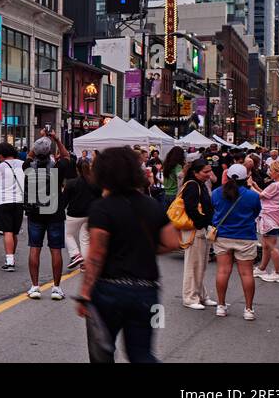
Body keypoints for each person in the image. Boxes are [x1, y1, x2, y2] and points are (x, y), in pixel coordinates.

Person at [77, 146, 180, 363]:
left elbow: (96, 254)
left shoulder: (101, 208)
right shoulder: (153, 206)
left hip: (109, 290)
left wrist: (85, 293)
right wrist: (143, 246)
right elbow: (173, 242)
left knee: (102, 354)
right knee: (142, 353)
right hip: (149, 292)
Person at [210, 163, 262, 320]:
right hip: (245, 236)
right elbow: (256, 212)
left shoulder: (216, 193)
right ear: (245, 178)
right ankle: (248, 309)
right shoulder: (252, 196)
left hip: (223, 236)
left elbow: (214, 209)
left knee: (222, 271)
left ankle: (220, 306)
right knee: (246, 273)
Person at [25, 136, 74, 300]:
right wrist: (57, 140)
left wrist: (38, 143)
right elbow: (66, 156)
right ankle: (56, 288)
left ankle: (35, 287)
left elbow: (30, 156)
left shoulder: (28, 167)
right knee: (55, 250)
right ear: (51, 152)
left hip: (35, 212)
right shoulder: (58, 167)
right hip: (55, 212)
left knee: (34, 248)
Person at [177, 158, 217, 309]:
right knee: (194, 265)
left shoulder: (198, 184)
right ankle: (190, 297)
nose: (208, 174)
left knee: (200, 265)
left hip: (200, 228)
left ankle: (199, 295)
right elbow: (191, 209)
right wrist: (203, 223)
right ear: (195, 172)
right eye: (205, 171)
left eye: (209, 171)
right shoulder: (193, 186)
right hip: (195, 229)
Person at [0, 143, 25, 272]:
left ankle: (10, 261)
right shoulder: (22, 164)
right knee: (14, 232)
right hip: (19, 202)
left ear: (1, 154)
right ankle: (11, 258)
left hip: (4, 202)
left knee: (7, 232)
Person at [254, 160, 279, 283]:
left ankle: (278, 272)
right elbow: (264, 194)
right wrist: (254, 186)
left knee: (270, 246)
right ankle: (262, 268)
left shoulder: (276, 185)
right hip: (275, 216)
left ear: (277, 172)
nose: (270, 172)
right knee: (266, 245)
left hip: (270, 217)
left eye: (271, 170)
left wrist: (250, 187)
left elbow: (260, 196)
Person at [63, 158, 99, 270]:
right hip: (90, 214)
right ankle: (85, 264)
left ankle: (75, 254)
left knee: (67, 234)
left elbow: (64, 201)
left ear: (77, 169)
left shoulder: (70, 183)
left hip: (74, 214)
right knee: (85, 239)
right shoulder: (95, 183)